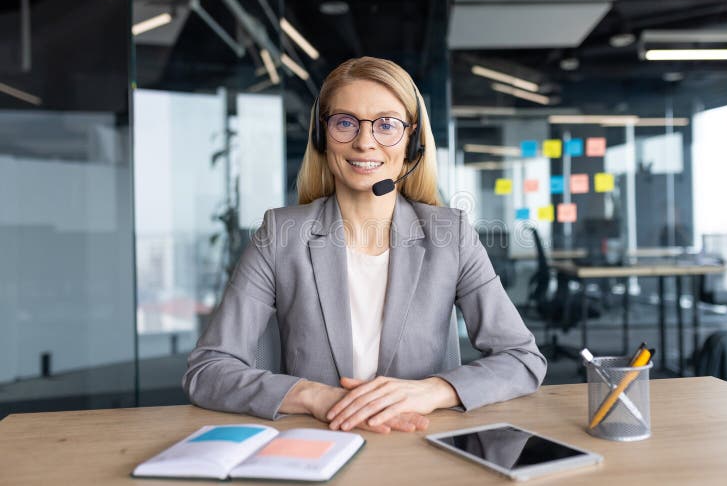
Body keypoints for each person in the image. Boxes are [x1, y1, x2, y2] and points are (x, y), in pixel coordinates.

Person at [182, 56, 547, 434]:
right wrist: (314, 396)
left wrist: (433, 391)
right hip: (317, 442)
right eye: (345, 123)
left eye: (386, 125)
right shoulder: (280, 234)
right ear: (322, 137)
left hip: (419, 441)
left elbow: (522, 358)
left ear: (412, 142)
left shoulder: (450, 235)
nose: (364, 142)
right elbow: (208, 370)